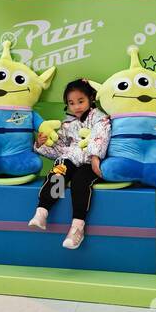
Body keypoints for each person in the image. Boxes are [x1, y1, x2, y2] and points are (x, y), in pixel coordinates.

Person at [28, 78, 110, 250]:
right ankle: (42, 211)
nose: (76, 106)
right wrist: (41, 144)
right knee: (58, 175)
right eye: (71, 103)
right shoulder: (67, 124)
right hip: (70, 158)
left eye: (81, 101)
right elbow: (60, 149)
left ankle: (77, 228)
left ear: (91, 99)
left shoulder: (100, 118)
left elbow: (100, 136)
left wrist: (95, 157)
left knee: (80, 183)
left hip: (89, 161)